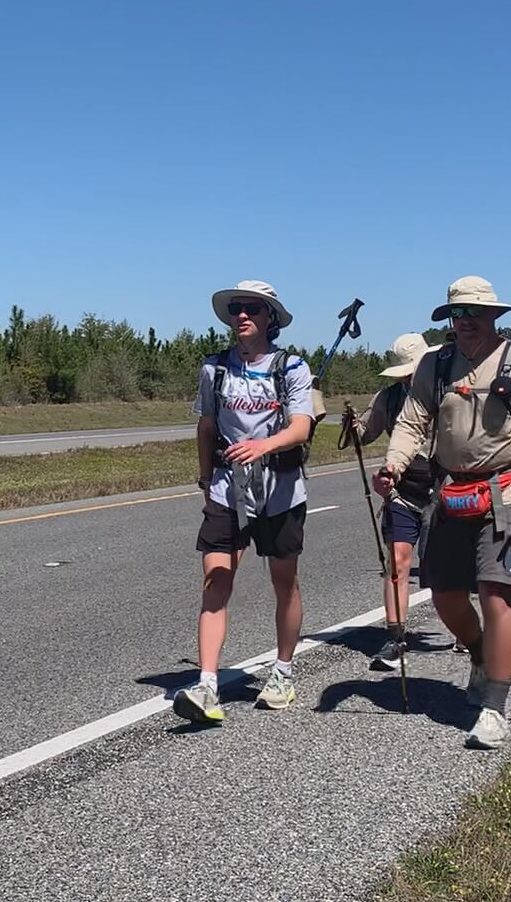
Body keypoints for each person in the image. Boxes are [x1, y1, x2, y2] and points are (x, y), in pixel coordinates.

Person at [377, 277, 511, 749]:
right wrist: (394, 463)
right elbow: (412, 422)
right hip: (447, 492)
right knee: (444, 596)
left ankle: (495, 708)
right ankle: (483, 657)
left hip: (507, 492)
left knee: (495, 594)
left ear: (494, 317)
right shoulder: (434, 365)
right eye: (457, 314)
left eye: (474, 313)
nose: (465, 321)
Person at [173, 280, 315, 725]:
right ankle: (207, 684)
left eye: (252, 308)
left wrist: (263, 446)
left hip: (280, 490)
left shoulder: (291, 367)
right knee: (215, 579)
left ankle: (284, 670)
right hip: (226, 489)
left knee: (283, 582)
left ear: (270, 317)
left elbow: (301, 428)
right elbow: (207, 427)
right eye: (237, 308)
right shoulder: (215, 369)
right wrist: (204, 475)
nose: (242, 315)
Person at [339, 332, 434, 671]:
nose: (409, 377)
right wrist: (351, 427)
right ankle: (395, 638)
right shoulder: (390, 397)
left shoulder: (446, 391)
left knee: (446, 568)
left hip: (444, 487)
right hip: (401, 488)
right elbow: (365, 433)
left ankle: (466, 633)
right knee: (397, 562)